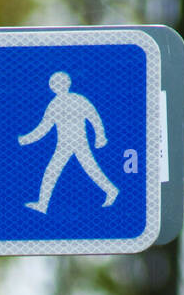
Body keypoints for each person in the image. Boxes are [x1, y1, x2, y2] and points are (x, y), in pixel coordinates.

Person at [18, 71, 118, 212]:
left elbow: (93, 117)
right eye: (53, 84)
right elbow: (44, 127)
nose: (55, 86)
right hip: (65, 145)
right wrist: (26, 139)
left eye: (57, 83)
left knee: (85, 169)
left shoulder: (77, 100)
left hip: (77, 143)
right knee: (56, 171)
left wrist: (100, 136)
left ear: (66, 84)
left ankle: (111, 191)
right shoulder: (55, 105)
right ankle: (42, 204)